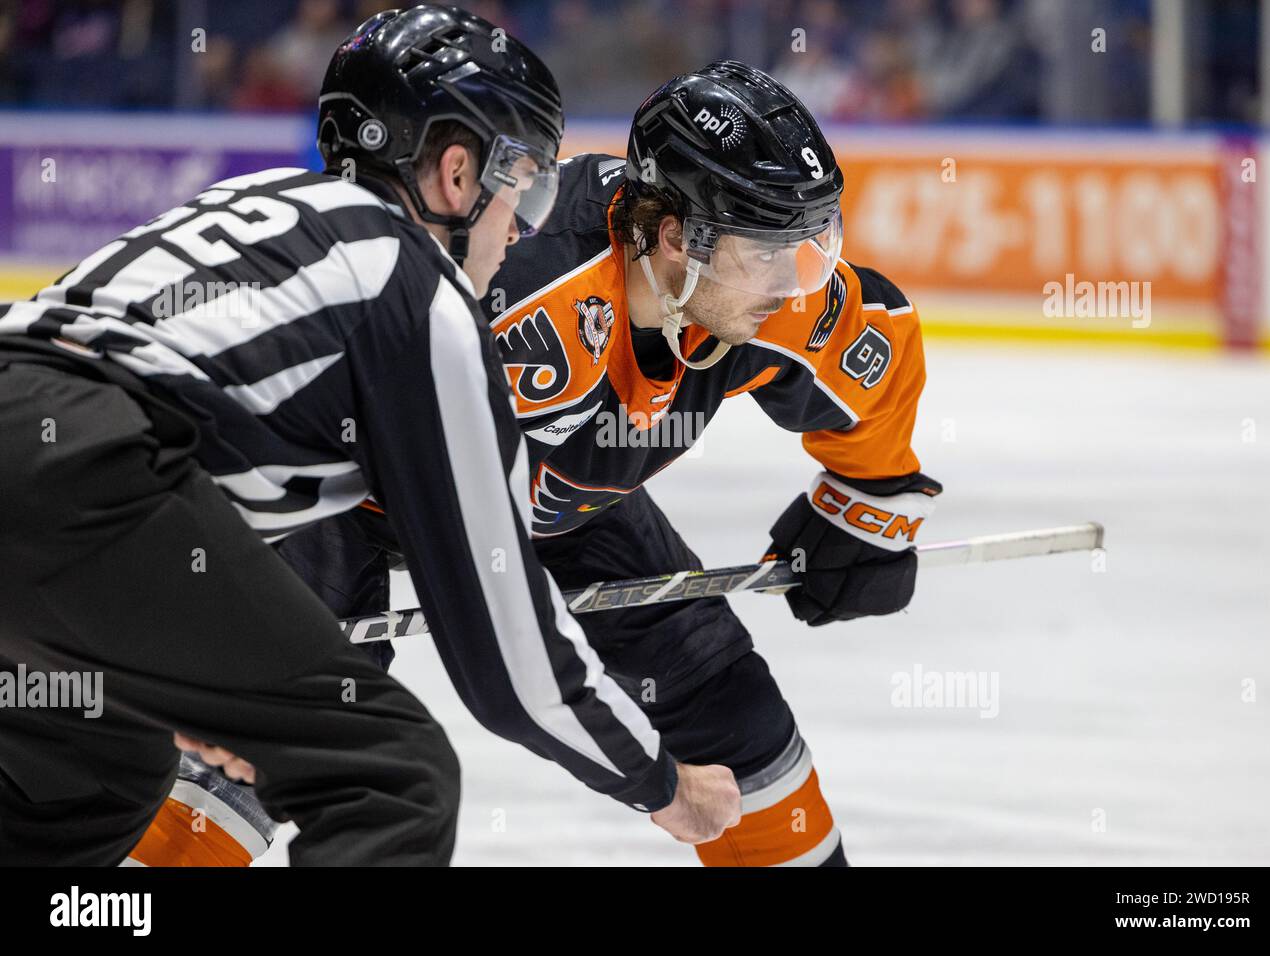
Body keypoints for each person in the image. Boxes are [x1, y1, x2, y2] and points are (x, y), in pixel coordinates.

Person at [136, 60, 938, 868]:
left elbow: (881, 352)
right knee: (273, 723)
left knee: (725, 703)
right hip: (345, 480)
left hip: (553, 489)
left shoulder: (767, 298)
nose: (795, 280)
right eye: (771, 251)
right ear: (674, 241)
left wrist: (868, 502)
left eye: (810, 244)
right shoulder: (516, 289)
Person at [0, 6, 738, 867]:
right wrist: (659, 784)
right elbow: (507, 653)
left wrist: (226, 685)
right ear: (459, 174)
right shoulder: (422, 295)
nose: (525, 230)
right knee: (393, 780)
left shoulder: (256, 201)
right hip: (88, 478)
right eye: (526, 189)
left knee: (97, 767)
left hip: (45, 446)